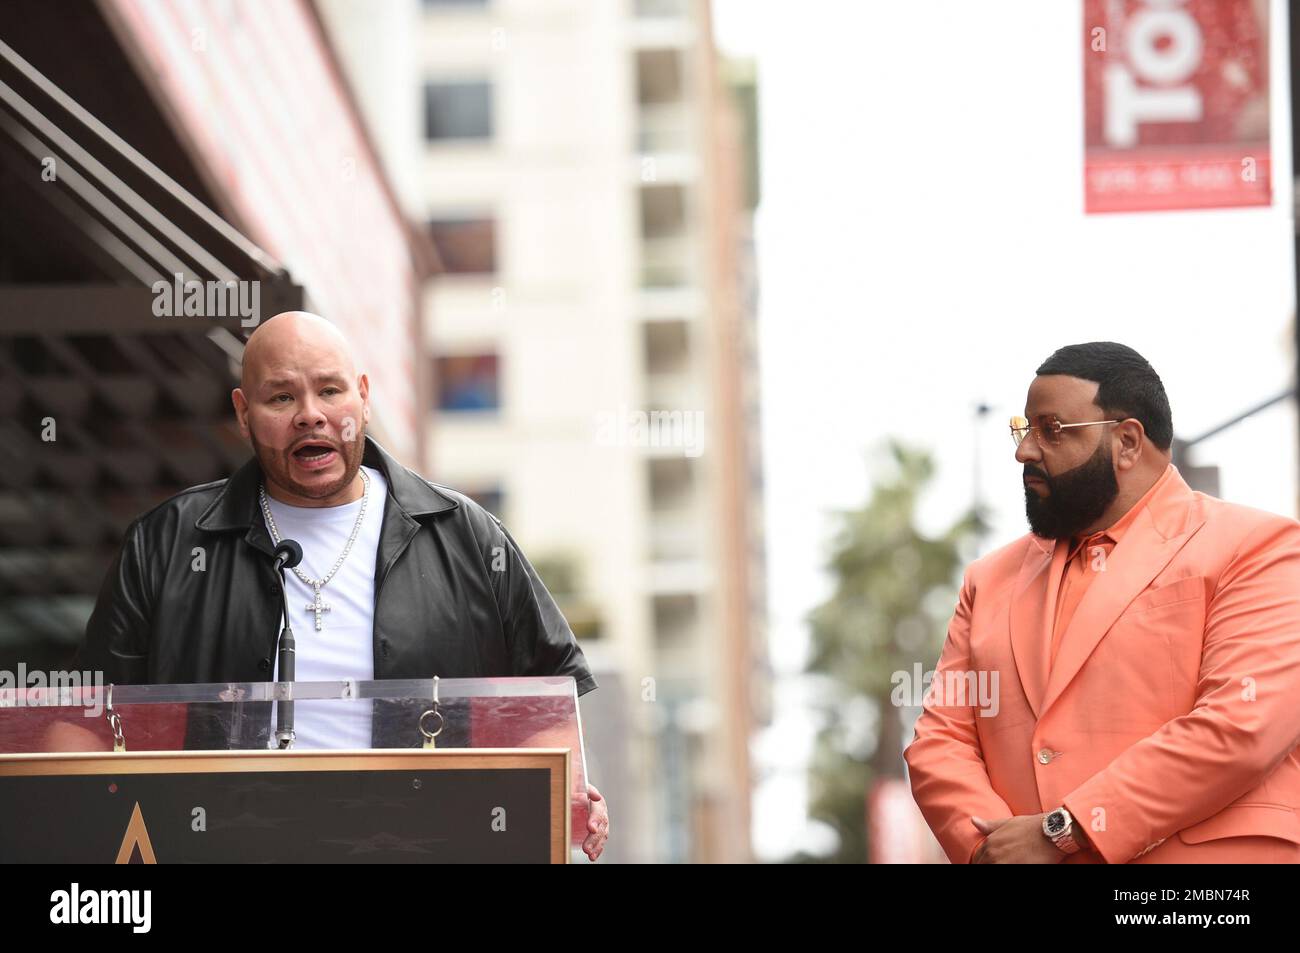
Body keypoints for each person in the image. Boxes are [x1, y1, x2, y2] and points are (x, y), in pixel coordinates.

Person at [77, 311, 608, 860]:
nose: (311, 416)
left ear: (363, 397)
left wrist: (564, 791)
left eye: (329, 391)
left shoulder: (466, 534)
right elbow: (81, 725)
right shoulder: (166, 544)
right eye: (281, 398)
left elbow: (549, 703)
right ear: (243, 413)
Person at [905, 342, 1300, 864]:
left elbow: (1239, 726)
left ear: (1128, 442)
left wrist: (1062, 832)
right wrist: (989, 850)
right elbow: (941, 740)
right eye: (1024, 430)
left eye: (1051, 430)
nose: (1024, 451)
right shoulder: (988, 581)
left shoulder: (1260, 546)